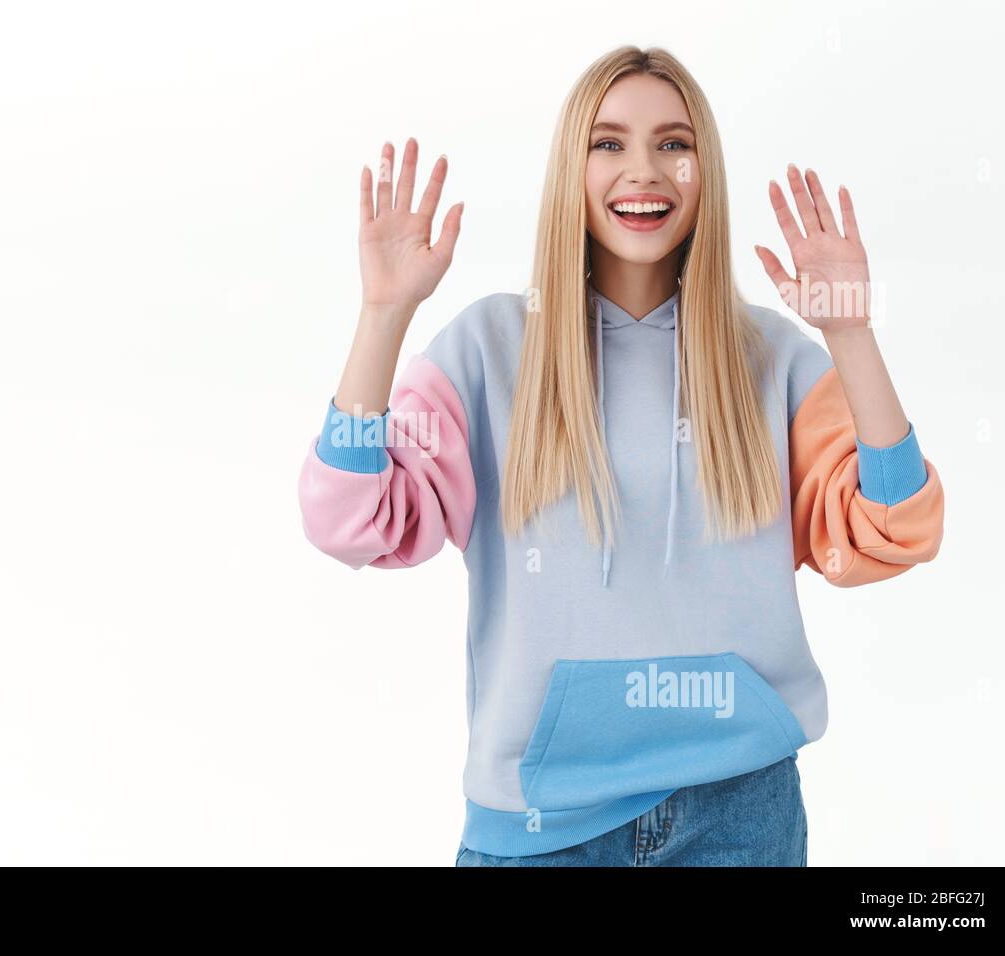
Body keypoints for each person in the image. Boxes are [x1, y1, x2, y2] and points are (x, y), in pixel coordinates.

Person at [296, 45, 945, 866]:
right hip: (537, 830)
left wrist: (848, 334)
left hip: (740, 812)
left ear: (704, 169)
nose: (645, 169)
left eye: (674, 143)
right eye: (609, 143)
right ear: (573, 168)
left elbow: (896, 526)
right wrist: (382, 316)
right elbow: (350, 521)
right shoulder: (489, 351)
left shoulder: (773, 361)